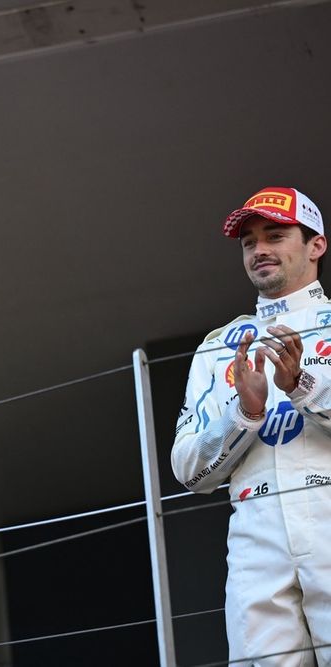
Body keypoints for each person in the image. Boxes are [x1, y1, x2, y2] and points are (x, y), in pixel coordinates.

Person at [172, 186, 331, 664]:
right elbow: (188, 472)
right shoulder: (220, 346)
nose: (259, 249)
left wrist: (302, 384)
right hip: (253, 539)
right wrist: (244, 415)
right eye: (249, 241)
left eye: (276, 235)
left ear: (316, 245)